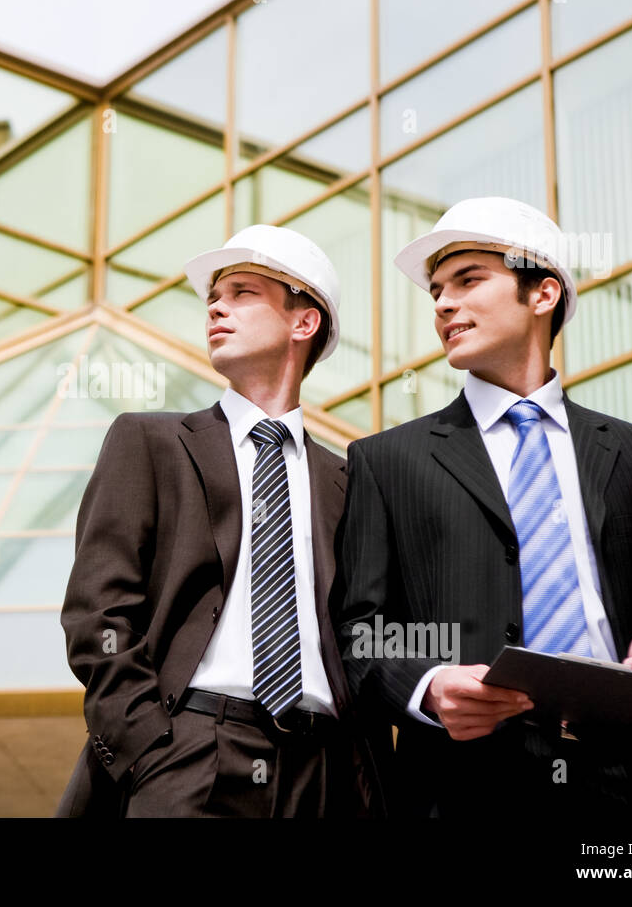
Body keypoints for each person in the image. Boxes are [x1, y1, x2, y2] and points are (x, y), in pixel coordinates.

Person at [333, 196, 632, 817]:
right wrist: (428, 689)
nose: (442, 304)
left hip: (630, 786)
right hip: (464, 789)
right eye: (436, 290)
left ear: (542, 295)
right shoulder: (387, 460)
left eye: (468, 279)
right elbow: (359, 633)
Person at [56, 224, 385, 817]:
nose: (216, 307)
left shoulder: (350, 481)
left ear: (302, 322)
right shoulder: (148, 442)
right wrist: (148, 745)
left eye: (241, 293)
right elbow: (96, 612)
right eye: (213, 297)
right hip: (189, 753)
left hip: (327, 773)